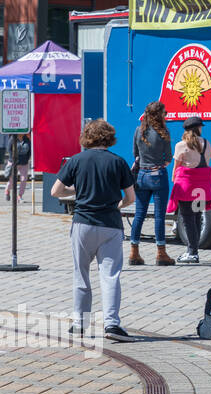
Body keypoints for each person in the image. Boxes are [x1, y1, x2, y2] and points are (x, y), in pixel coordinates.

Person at [50, 119, 136, 341]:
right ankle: (112, 325)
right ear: (109, 138)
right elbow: (130, 197)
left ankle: (79, 323)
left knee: (81, 274)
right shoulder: (118, 162)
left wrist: (77, 192)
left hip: (83, 223)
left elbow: (55, 191)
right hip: (110, 225)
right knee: (110, 276)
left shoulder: (76, 160)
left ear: (86, 137)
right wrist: (118, 205)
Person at [127, 103, 173, 267]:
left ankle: (134, 252)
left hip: (142, 176)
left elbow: (135, 155)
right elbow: (168, 158)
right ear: (159, 114)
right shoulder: (163, 132)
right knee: (159, 216)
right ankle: (161, 253)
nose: (165, 115)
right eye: (164, 112)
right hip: (158, 175)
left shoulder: (138, 131)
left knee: (139, 214)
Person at [168, 117, 211, 265]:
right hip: (202, 187)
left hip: (186, 188)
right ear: (199, 128)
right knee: (197, 217)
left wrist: (174, 180)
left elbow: (176, 168)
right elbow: (207, 161)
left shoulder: (181, 145)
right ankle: (193, 250)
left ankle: (192, 252)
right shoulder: (207, 144)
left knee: (187, 218)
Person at [4, 131, 30, 203]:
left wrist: (27, 159)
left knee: (23, 179)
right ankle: (7, 190)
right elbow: (9, 150)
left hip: (24, 162)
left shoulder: (26, 139)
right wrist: (13, 159)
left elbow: (29, 150)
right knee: (12, 179)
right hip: (14, 162)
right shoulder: (13, 138)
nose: (23, 133)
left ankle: (20, 196)